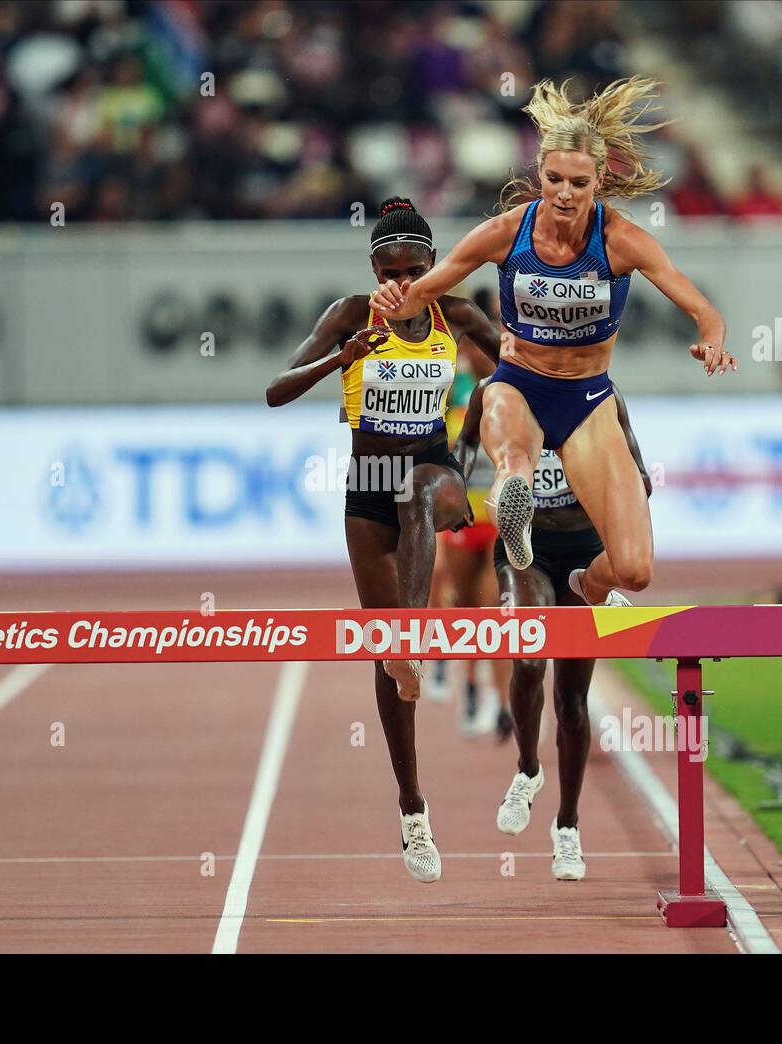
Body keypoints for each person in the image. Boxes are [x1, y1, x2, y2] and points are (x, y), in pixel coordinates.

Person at [369, 76, 733, 610]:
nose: (563, 193)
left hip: (586, 401)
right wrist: (391, 303)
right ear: (539, 172)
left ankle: (590, 585)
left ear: (599, 179)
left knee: (634, 570)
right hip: (519, 383)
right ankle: (513, 503)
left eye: (578, 183)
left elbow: (702, 309)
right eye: (553, 178)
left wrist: (712, 342)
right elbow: (425, 288)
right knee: (513, 451)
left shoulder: (622, 241)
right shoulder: (506, 233)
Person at [266, 197, 501, 882]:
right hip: (367, 483)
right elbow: (275, 391)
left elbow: (514, 368)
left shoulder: (454, 315)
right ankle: (412, 810)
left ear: (433, 265)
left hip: (436, 471)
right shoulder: (349, 315)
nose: (402, 280)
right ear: (373, 266)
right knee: (384, 652)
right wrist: (344, 357)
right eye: (390, 269)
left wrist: (480, 429)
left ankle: (419, 637)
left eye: (415, 268)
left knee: (422, 495)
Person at [459, 381, 650, 880]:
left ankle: (568, 826)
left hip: (585, 549)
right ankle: (527, 769)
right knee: (527, 656)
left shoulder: (603, 397)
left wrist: (605, 478)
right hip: (527, 548)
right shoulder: (493, 394)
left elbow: (641, 479)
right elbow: (458, 460)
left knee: (570, 698)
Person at [426, 331, 513, 739]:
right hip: (461, 520)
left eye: (486, 342)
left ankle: (501, 701)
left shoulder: (512, 387)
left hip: (496, 520)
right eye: (472, 344)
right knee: (468, 609)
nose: (479, 351)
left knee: (493, 608)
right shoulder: (452, 390)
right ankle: (471, 682)